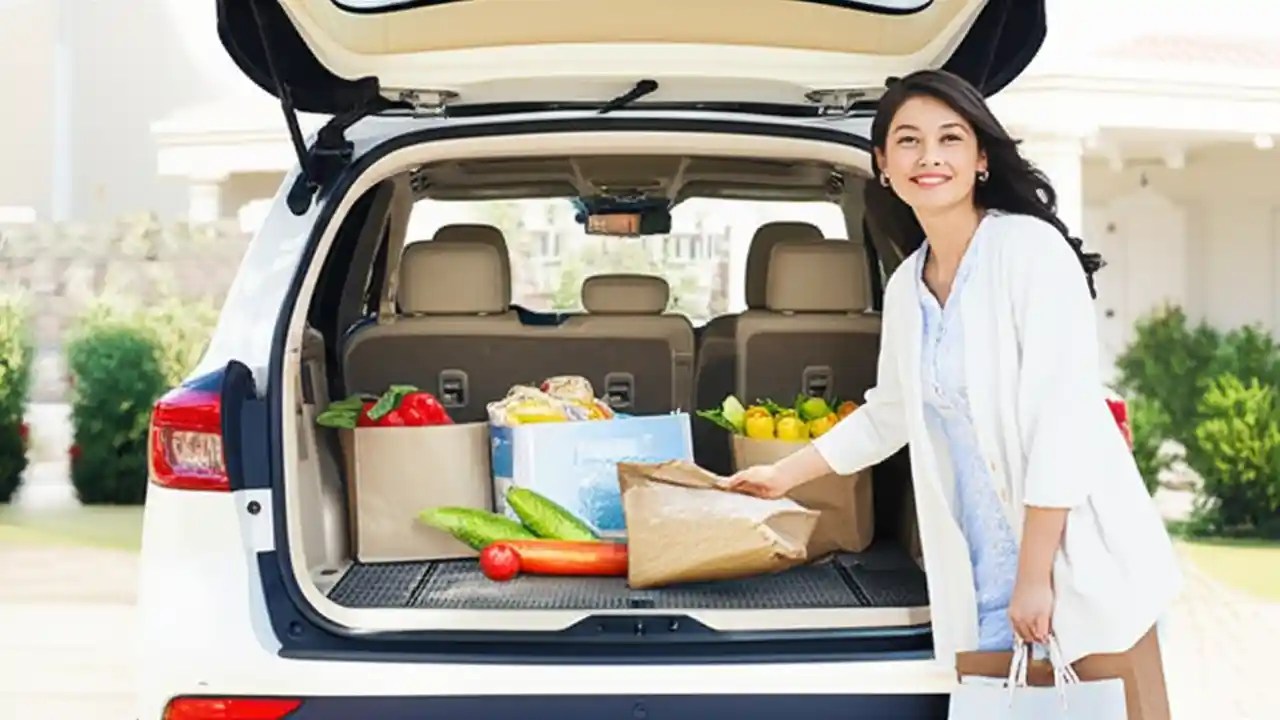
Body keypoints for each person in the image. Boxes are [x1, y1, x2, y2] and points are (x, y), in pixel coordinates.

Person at [727, 70, 1182, 673]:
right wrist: (779, 477)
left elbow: (1061, 420)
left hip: (1066, 566)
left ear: (981, 159)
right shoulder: (906, 285)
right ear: (883, 163)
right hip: (979, 570)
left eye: (950, 139)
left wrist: (1035, 577)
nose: (930, 156)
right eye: (909, 141)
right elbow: (889, 414)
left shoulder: (1029, 253)